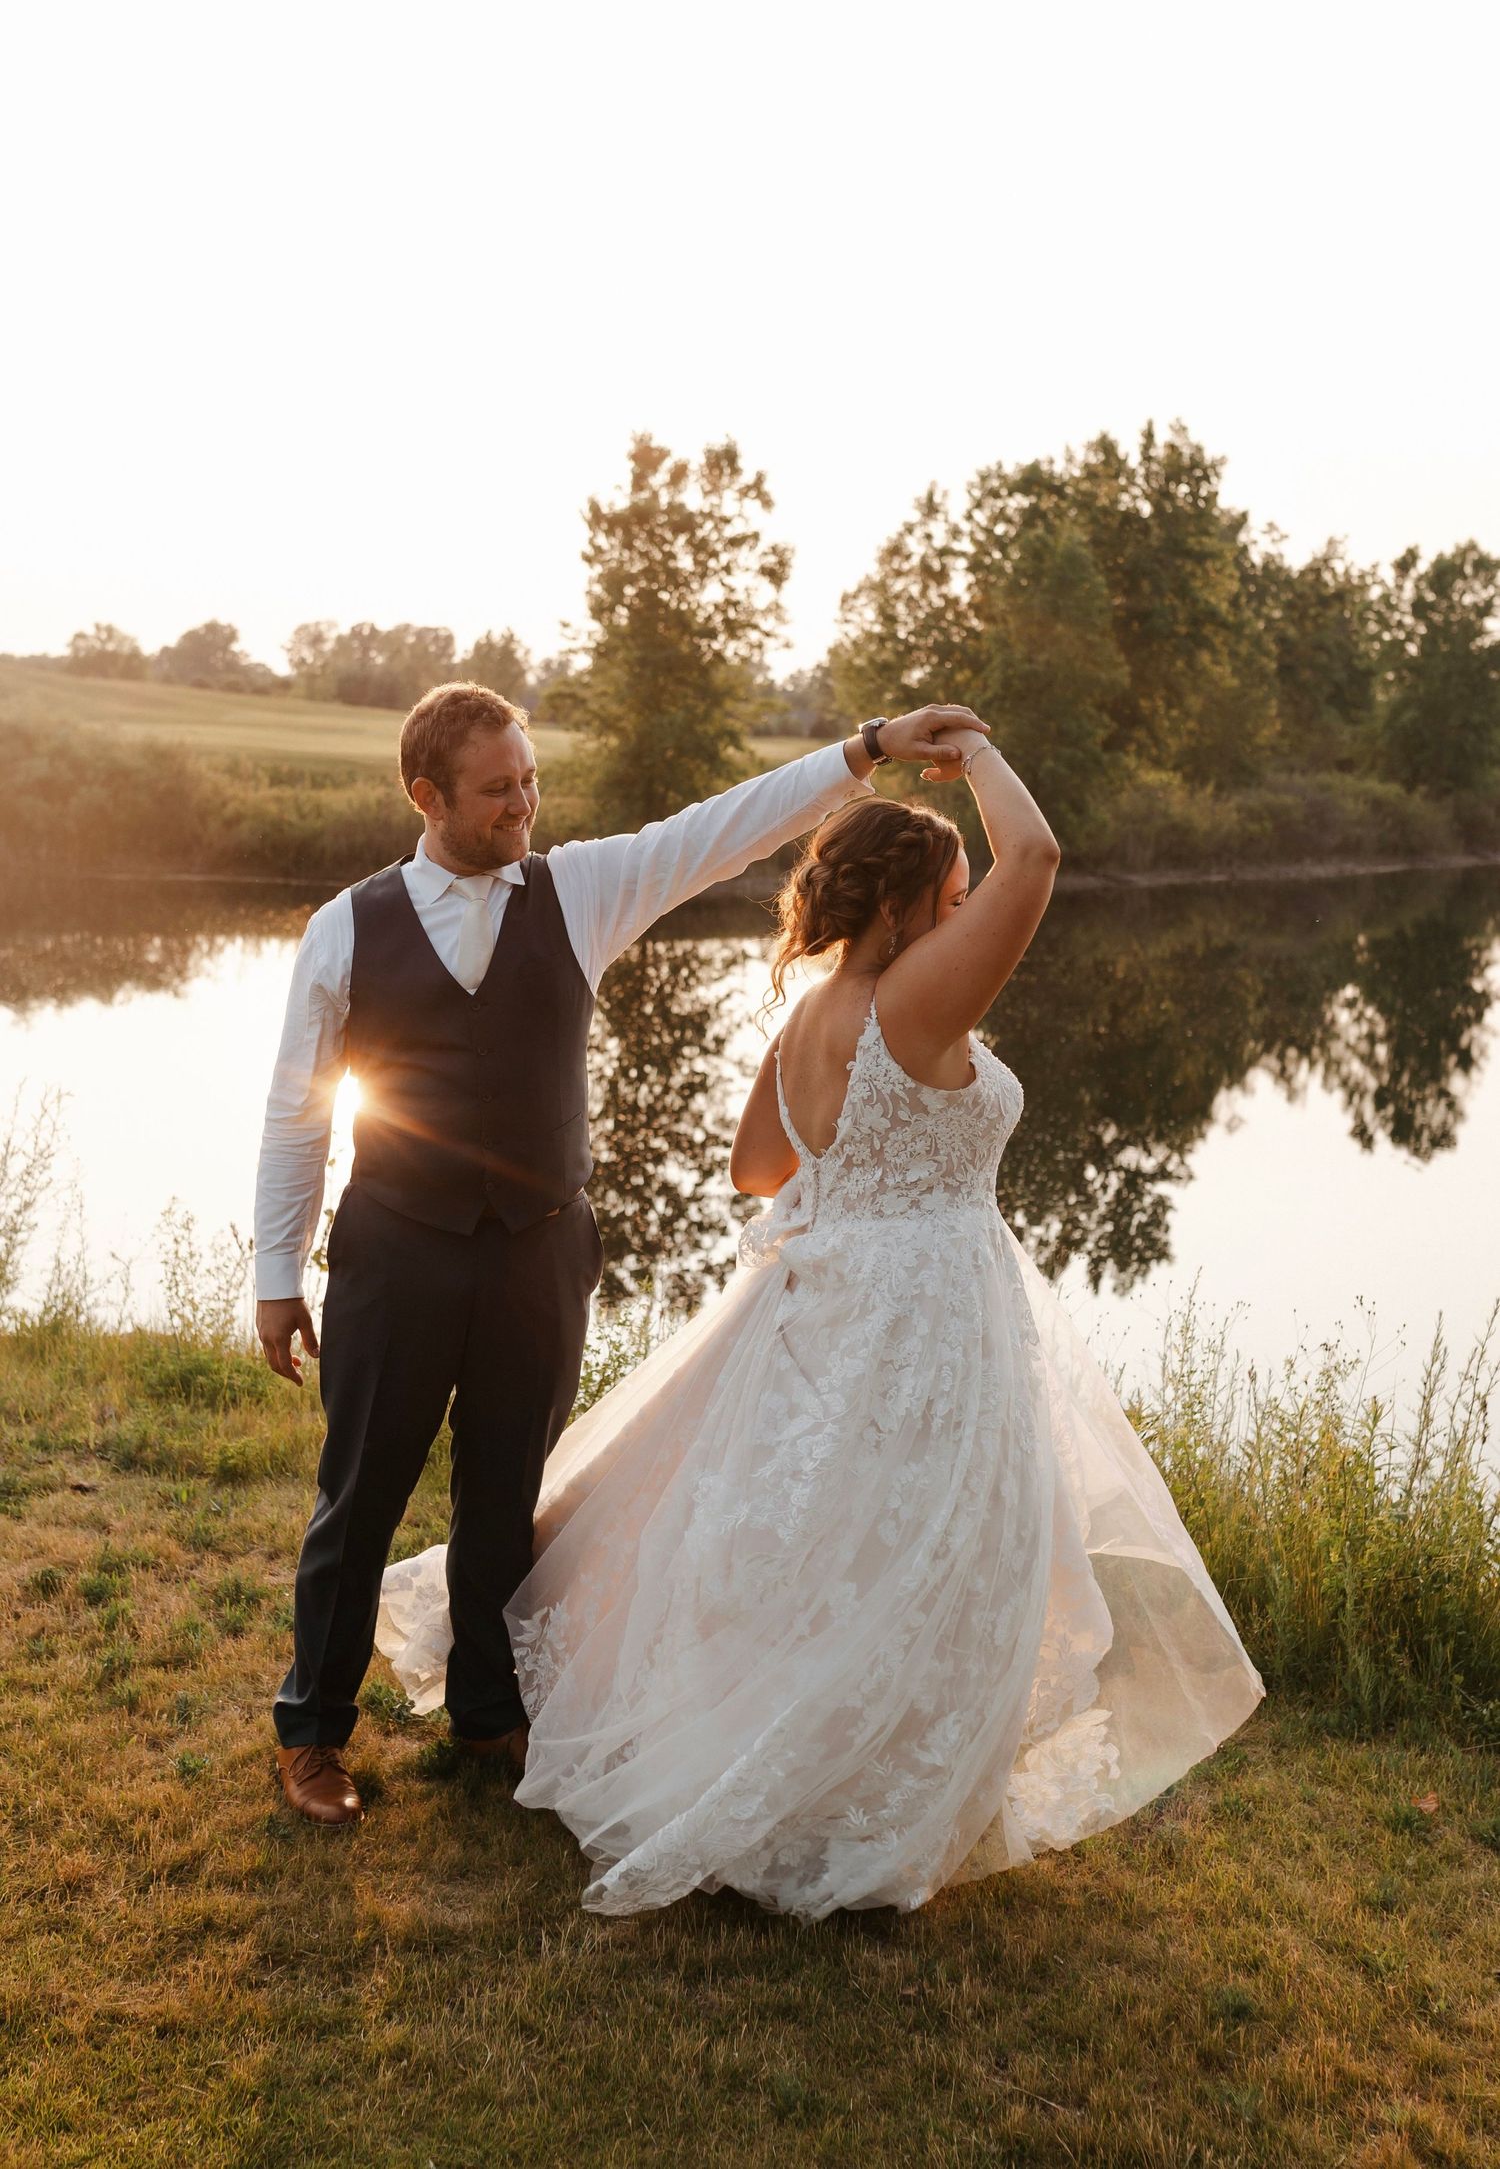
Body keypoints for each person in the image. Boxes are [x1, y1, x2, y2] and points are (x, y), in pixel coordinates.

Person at [377, 722, 1267, 1918]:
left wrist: (853, 1192)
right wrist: (986, 755)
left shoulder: (811, 1009)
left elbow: (757, 1167)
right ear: (907, 904)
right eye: (953, 896)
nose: (967, 915)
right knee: (917, 1551)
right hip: (928, 1310)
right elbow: (1040, 861)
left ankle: (814, 1773)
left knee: (821, 1547)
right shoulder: (914, 996)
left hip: (832, 1293)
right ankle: (854, 1793)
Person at [254, 681, 990, 1825]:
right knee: (361, 1500)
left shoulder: (580, 888)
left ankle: (491, 1714)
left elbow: (719, 830)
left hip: (541, 1254)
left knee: (509, 1499)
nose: (524, 806)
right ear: (426, 796)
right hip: (395, 1252)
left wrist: (871, 750)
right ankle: (313, 1736)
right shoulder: (347, 926)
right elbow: (297, 1113)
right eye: (498, 791)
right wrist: (276, 1278)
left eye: (530, 778)